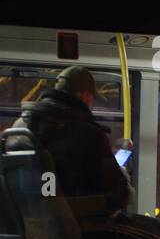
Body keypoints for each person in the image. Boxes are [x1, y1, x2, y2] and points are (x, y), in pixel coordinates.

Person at [15, 65, 131, 229]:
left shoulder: (20, 126)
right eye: (91, 98)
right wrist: (123, 175)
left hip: (24, 226)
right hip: (77, 231)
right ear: (85, 96)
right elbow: (118, 195)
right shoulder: (89, 134)